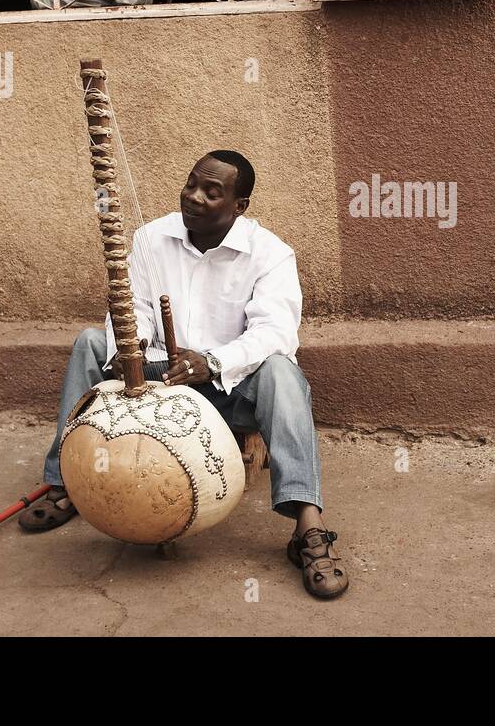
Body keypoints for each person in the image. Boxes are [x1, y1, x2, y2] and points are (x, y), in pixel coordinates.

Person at [23, 150, 349, 599]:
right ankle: (65, 484)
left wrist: (211, 361)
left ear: (239, 206)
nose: (194, 197)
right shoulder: (151, 237)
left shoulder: (270, 254)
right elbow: (132, 308)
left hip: (228, 387)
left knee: (281, 372)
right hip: (161, 374)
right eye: (191, 184)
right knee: (89, 343)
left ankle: (307, 525)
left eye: (212, 192)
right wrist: (127, 350)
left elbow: (275, 333)